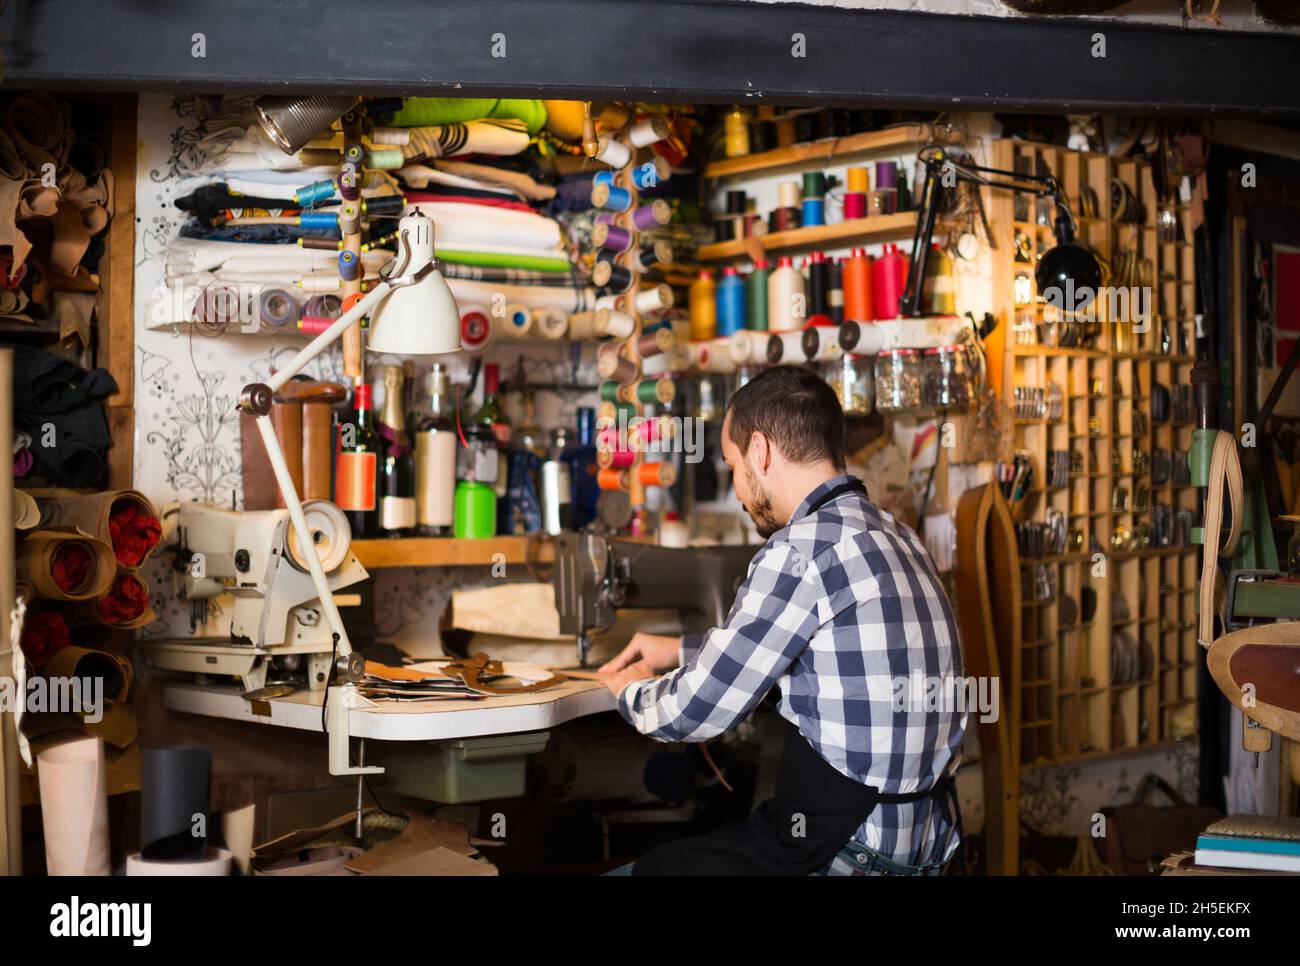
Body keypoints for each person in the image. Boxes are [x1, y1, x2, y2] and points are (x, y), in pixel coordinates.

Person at [599, 365, 966, 875]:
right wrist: (680, 651)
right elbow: (836, 661)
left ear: (760, 451)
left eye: (731, 466)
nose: (738, 491)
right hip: (928, 847)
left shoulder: (800, 550)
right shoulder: (898, 536)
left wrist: (628, 693)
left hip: (846, 852)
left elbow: (696, 711)